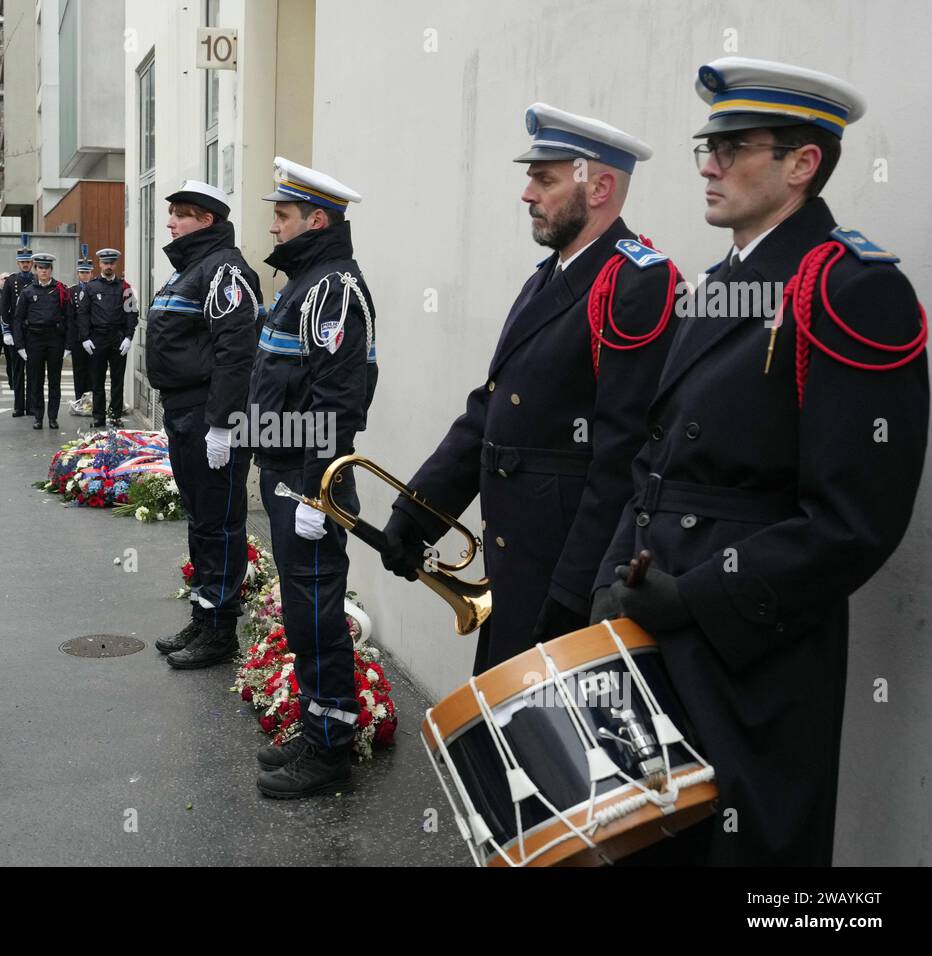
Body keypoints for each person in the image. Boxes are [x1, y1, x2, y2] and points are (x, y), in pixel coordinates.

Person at [588, 58, 929, 866]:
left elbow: (856, 519)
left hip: (754, 655)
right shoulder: (721, 286)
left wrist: (703, 598)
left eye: (734, 146)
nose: (708, 164)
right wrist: (612, 582)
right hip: (659, 628)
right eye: (706, 145)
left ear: (802, 164)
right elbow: (653, 463)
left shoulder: (853, 287)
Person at [379, 105, 680, 675]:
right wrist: (419, 511)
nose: (526, 194)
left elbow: (625, 456)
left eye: (545, 180)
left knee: (549, 751)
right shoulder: (547, 276)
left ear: (601, 187)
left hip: (562, 573)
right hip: (515, 561)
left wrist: (574, 588)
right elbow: (489, 409)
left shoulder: (637, 282)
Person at [250, 157, 377, 798]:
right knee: (304, 614)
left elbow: (335, 401)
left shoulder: (332, 290)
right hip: (289, 474)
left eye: (283, 215)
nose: (273, 226)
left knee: (319, 616)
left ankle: (330, 751)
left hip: (308, 482)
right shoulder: (305, 284)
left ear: (315, 219)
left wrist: (314, 488)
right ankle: (316, 722)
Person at [147, 181, 263, 669]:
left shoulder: (225, 270)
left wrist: (221, 425)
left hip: (209, 415)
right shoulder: (194, 269)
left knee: (219, 522)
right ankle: (204, 613)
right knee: (201, 519)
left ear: (207, 221)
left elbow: (236, 355)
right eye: (171, 213)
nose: (170, 222)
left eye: (181, 215)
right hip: (185, 412)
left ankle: (219, 632)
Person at [77, 248, 137, 428]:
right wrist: (85, 338)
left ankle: (115, 415)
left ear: (115, 264)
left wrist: (129, 337)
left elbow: (132, 313)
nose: (109, 266)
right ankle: (98, 416)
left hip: (118, 339)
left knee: (117, 381)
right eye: (106, 263)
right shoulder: (91, 287)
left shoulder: (125, 287)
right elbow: (83, 314)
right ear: (100, 264)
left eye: (112, 263)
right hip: (97, 339)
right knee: (97, 381)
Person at [12, 252, 73, 430]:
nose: (43, 271)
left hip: (55, 339)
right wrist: (20, 345)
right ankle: (38, 416)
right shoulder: (28, 292)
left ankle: (52, 417)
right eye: (40, 268)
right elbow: (18, 319)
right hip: (34, 339)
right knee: (35, 380)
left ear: (51, 269)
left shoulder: (61, 289)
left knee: (55, 380)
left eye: (46, 268)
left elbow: (70, 318)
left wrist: (68, 345)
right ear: (35, 269)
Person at [2, 247, 36, 417]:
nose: (25, 264)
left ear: (32, 263)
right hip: (16, 330)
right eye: (22, 262)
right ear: (18, 263)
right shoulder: (11, 281)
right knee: (17, 370)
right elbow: (5, 308)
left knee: (32, 370)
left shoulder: (37, 280)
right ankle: (18, 405)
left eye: (28, 262)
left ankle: (31, 405)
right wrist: (6, 331)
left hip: (33, 331)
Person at [67, 258, 94, 413]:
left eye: (87, 272)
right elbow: (70, 317)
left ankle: (91, 402)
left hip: (93, 336)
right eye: (82, 272)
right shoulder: (72, 291)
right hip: (78, 338)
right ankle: (79, 402)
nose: (85, 275)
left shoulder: (96, 288)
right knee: (79, 371)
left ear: (92, 273)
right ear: (78, 274)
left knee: (94, 371)